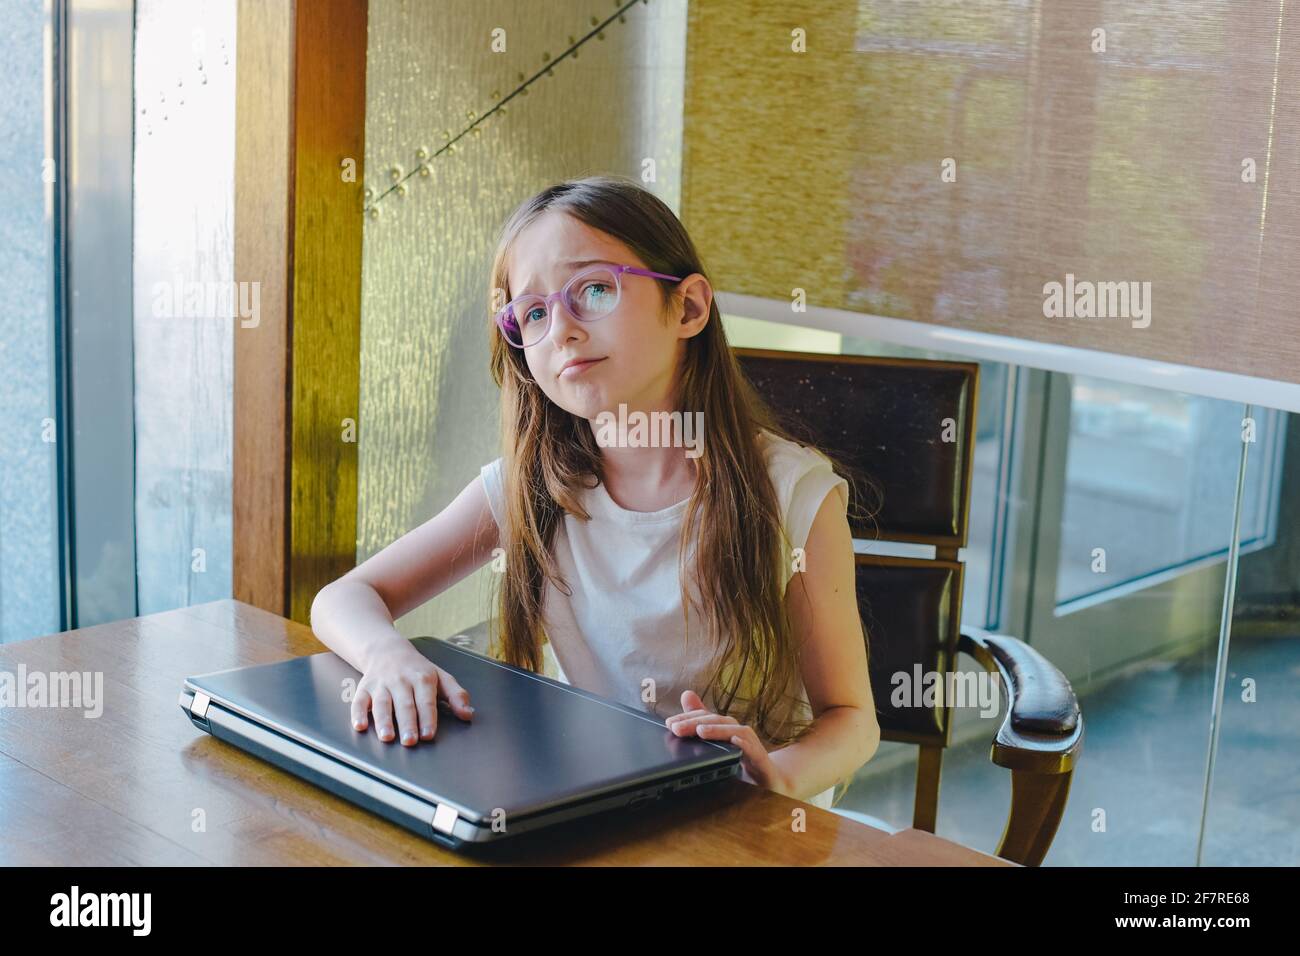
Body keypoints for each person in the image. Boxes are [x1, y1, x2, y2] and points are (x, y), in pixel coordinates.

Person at [310, 175, 881, 809]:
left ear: (688, 308)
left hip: (750, 827)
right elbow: (344, 598)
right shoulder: (531, 487)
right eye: (532, 313)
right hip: (598, 808)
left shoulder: (792, 496)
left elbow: (852, 719)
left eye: (595, 290)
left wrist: (774, 774)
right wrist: (388, 656)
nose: (561, 330)